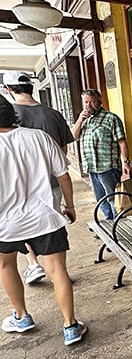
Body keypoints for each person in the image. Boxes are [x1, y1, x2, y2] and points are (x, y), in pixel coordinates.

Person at [0, 93, 86, 346]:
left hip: (6, 223)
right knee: (58, 271)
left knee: (6, 266)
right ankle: (70, 326)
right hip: (45, 218)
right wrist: (68, 206)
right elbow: (63, 175)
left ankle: (22, 316)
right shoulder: (38, 137)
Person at [3, 70, 74, 285]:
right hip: (51, 181)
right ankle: (55, 271)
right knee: (48, 230)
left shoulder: (9, 115)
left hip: (13, 188)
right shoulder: (53, 114)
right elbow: (63, 149)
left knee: (21, 227)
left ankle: (33, 264)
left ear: (9, 89)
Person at [71, 88, 131, 220]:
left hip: (107, 167)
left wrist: (125, 162)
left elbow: (122, 141)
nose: (88, 106)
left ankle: (118, 224)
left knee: (112, 198)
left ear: (99, 102)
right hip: (91, 168)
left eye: (91, 102)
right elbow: (72, 136)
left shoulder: (111, 118)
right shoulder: (85, 120)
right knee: (101, 199)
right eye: (86, 102)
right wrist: (80, 120)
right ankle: (108, 222)